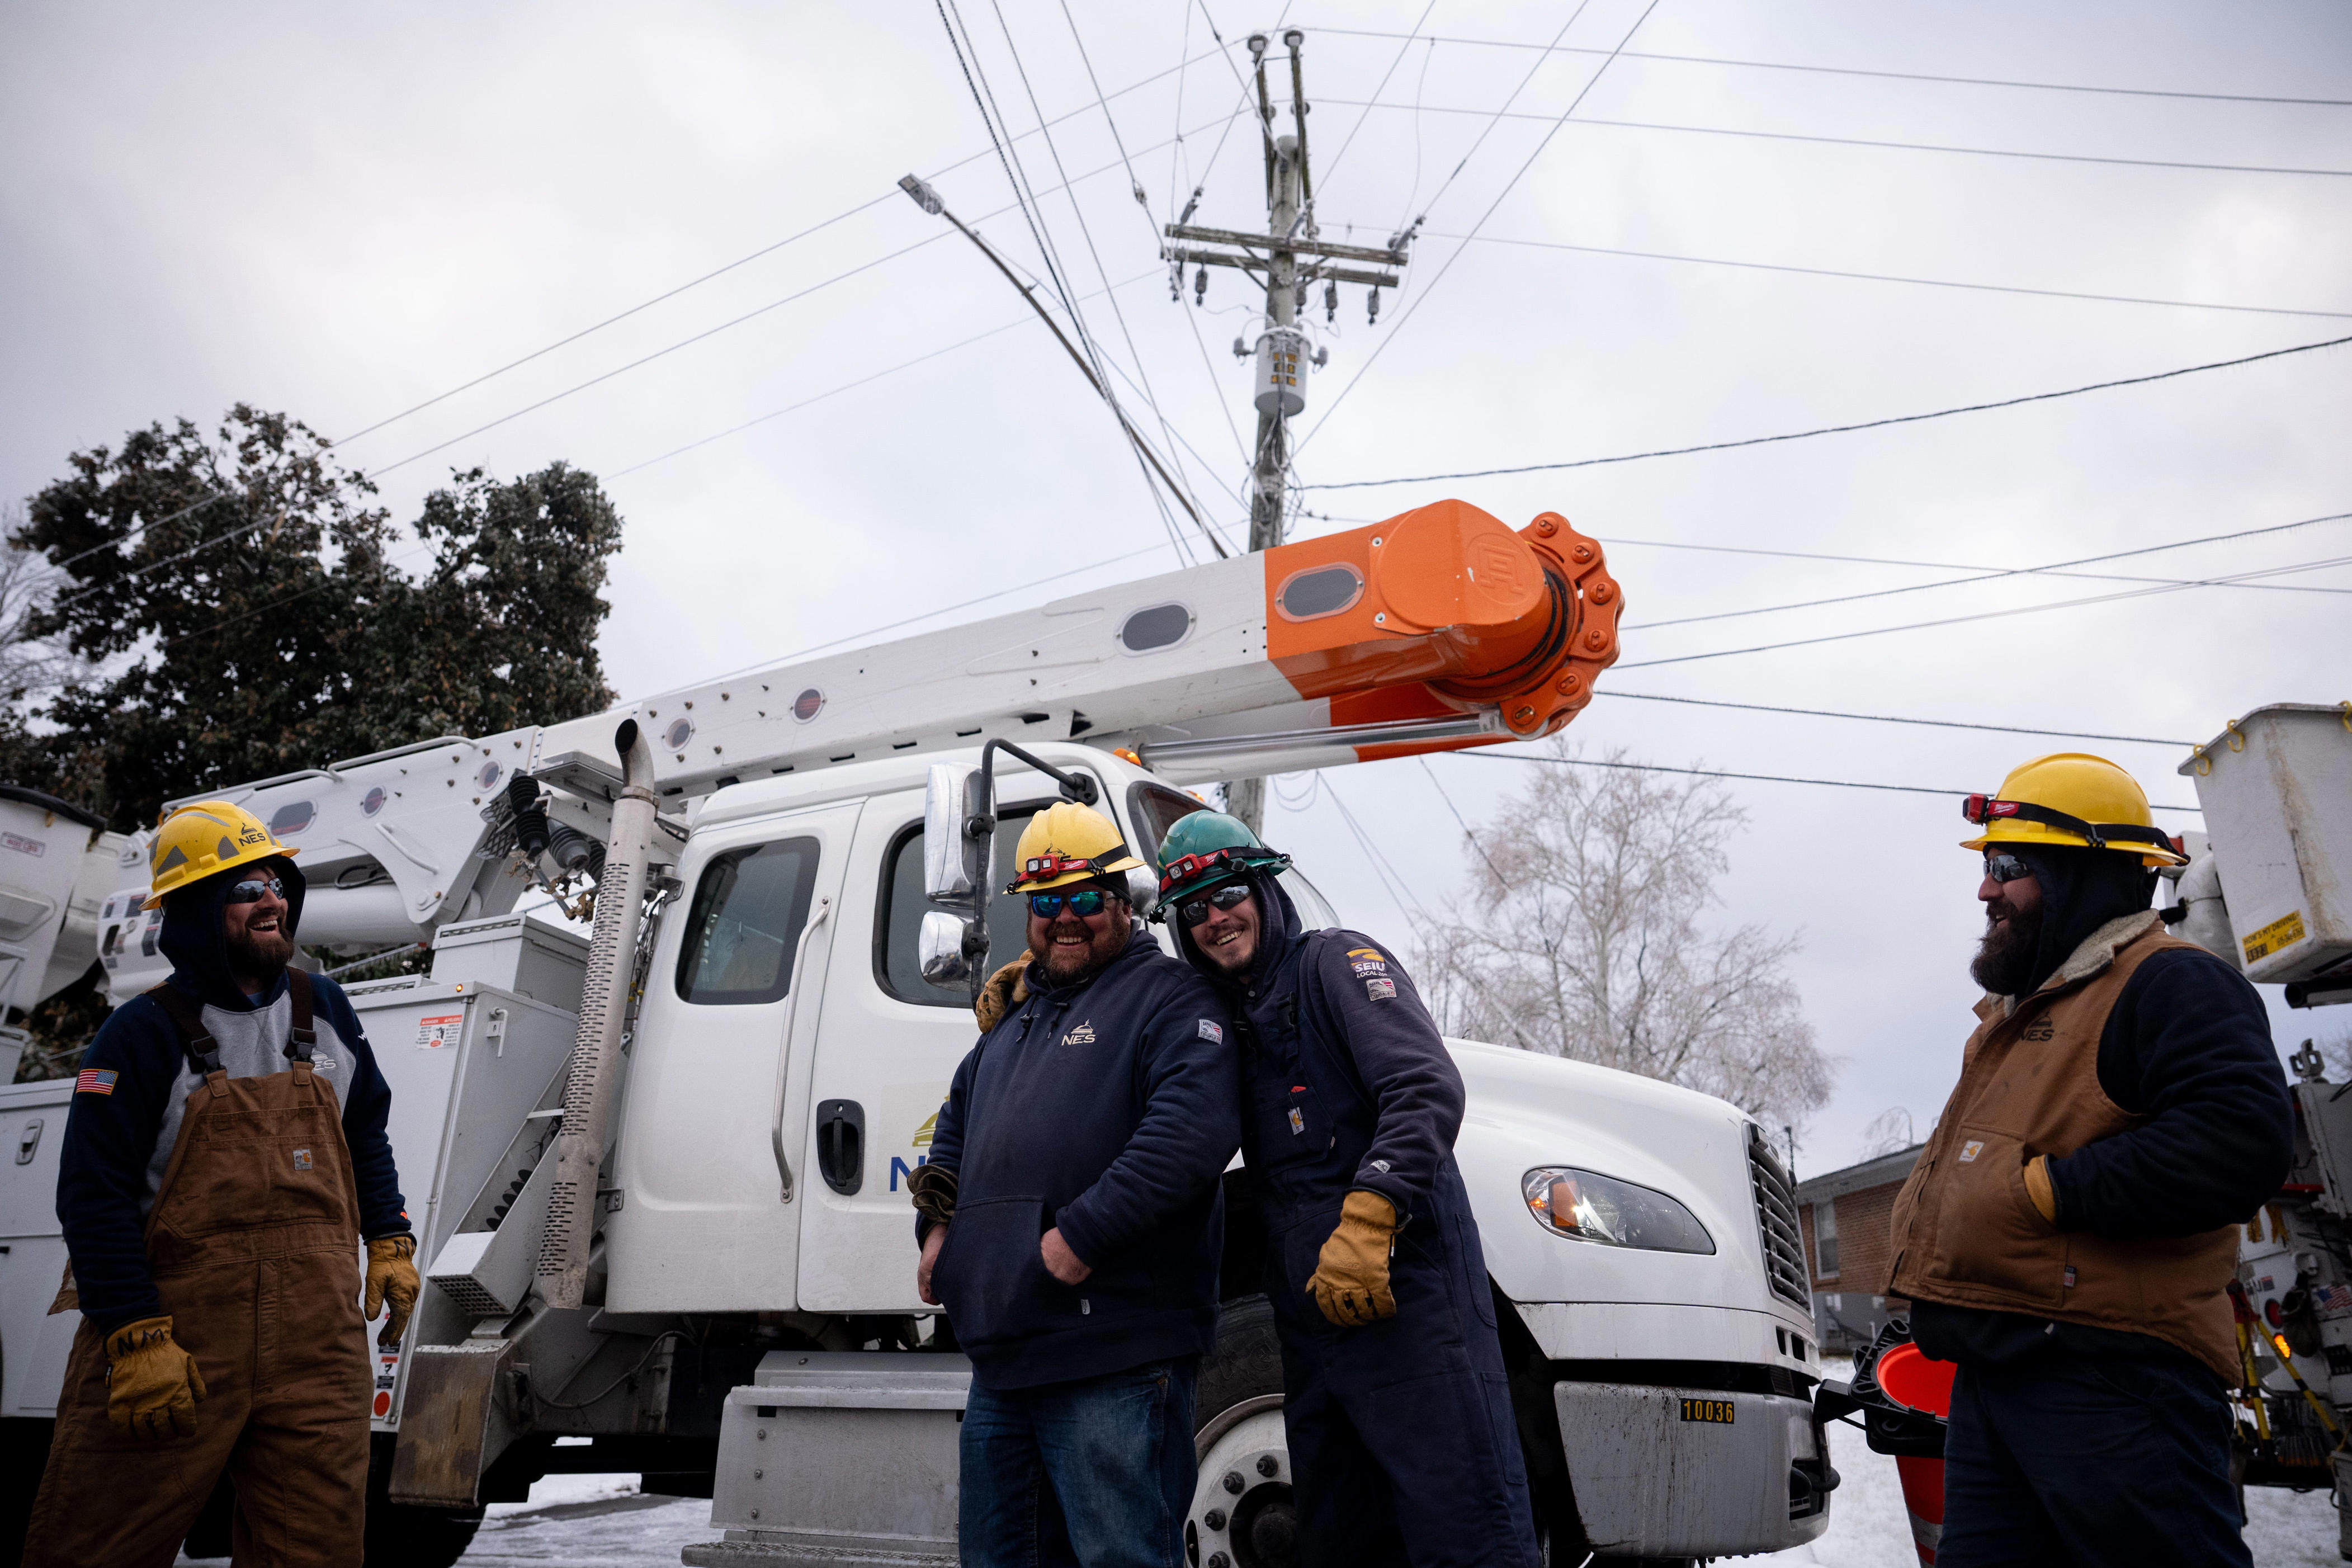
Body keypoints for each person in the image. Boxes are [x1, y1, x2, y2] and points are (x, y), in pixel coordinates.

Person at [1887, 753, 2293, 1568]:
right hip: (2000, 1372)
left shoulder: (2171, 984)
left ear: (2084, 877)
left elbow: (2239, 1140)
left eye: (2009, 867)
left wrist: (2046, 1193)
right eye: (1987, 865)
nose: (1985, 890)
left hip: (2114, 1383)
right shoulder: (2027, 1011)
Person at [25, 800, 422, 1567]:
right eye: (244, 889)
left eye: (276, 883)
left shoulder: (324, 1007)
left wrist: (389, 1237)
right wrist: (134, 1333)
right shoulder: (138, 1034)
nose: (270, 900)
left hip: (318, 1343)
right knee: (97, 1545)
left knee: (315, 1552)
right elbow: (93, 1196)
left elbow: (364, 1133)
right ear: (198, 911)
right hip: (176, 1337)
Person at [1154, 810, 1538, 1568]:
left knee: (1463, 1526)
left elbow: (1424, 1088)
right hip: (1312, 1324)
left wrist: (1370, 1217)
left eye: (1227, 894)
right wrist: (1040, 990)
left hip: (1407, 1297)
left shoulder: (1335, 964)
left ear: (1264, 891)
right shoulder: (1227, 1019)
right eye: (1192, 909)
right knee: (1338, 1534)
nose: (1214, 919)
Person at [910, 801, 1238, 1568]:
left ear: (1122, 904)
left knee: (1121, 1557)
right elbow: (951, 1129)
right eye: (1046, 901)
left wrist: (1079, 1240)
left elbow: (1188, 1137)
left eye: (1085, 898)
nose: (1064, 917)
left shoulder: (1171, 998)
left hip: (1113, 1353)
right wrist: (937, 1232)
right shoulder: (1012, 1018)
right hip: (1005, 1358)